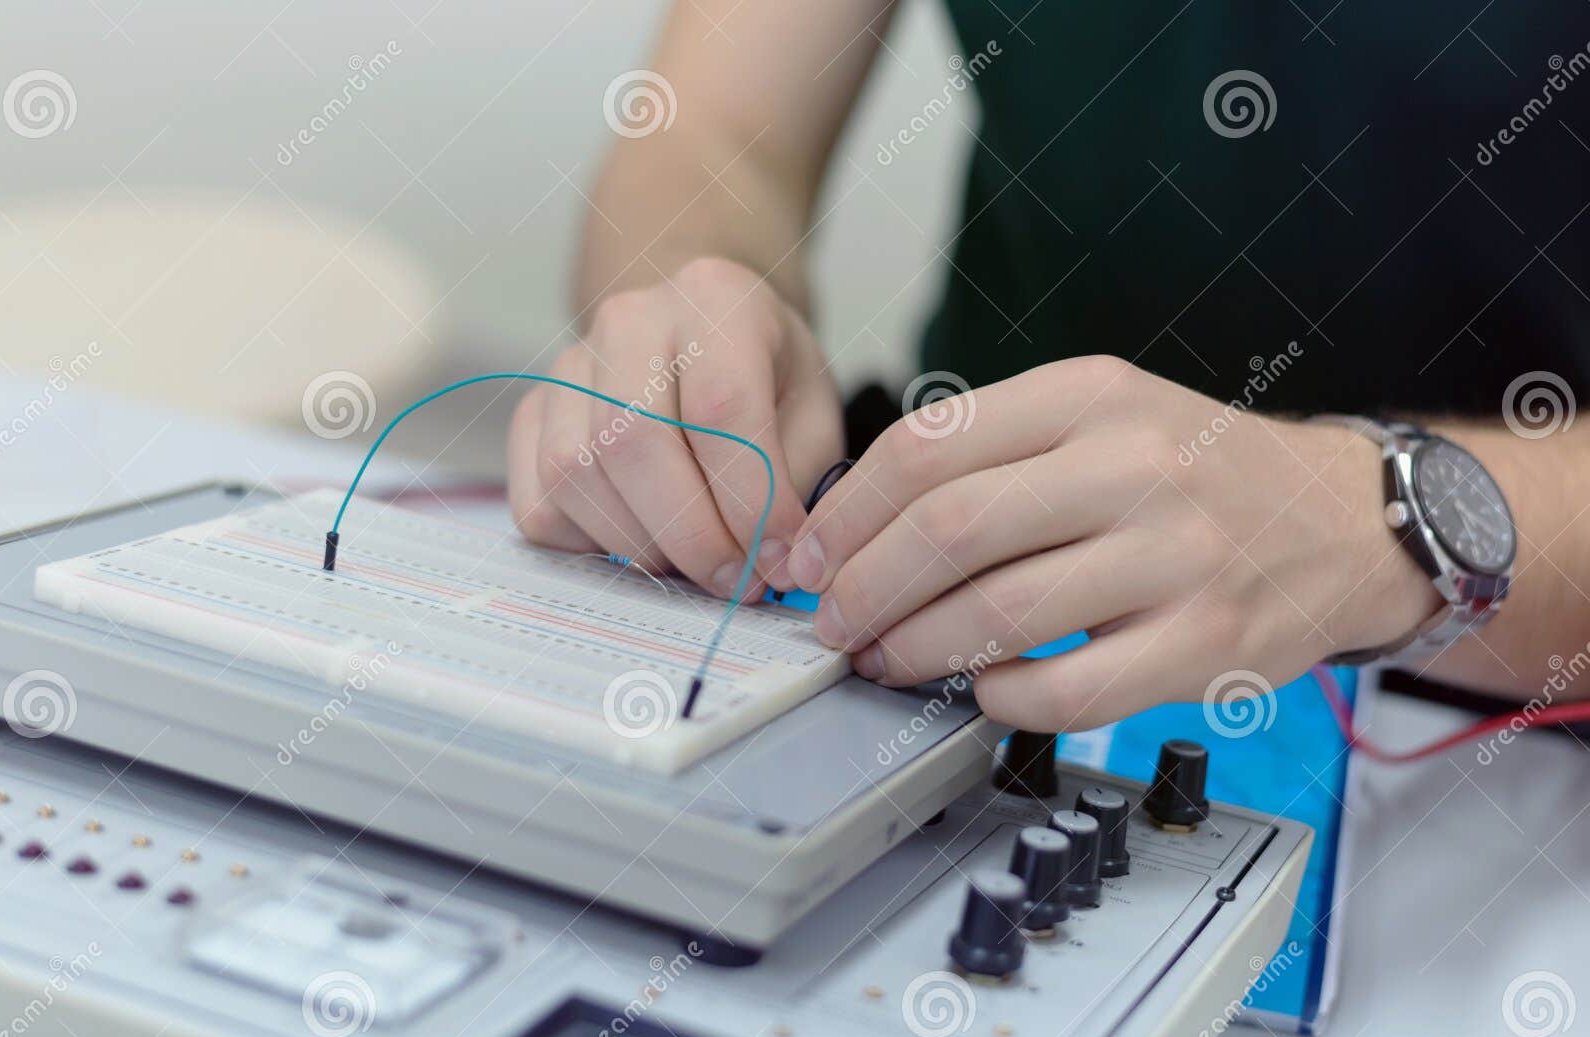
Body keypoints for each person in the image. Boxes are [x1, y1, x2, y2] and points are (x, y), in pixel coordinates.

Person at [508, 1, 1590, 733]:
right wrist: (694, 318)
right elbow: (712, 133)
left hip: (1498, 725)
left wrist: (1383, 525)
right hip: (947, 641)